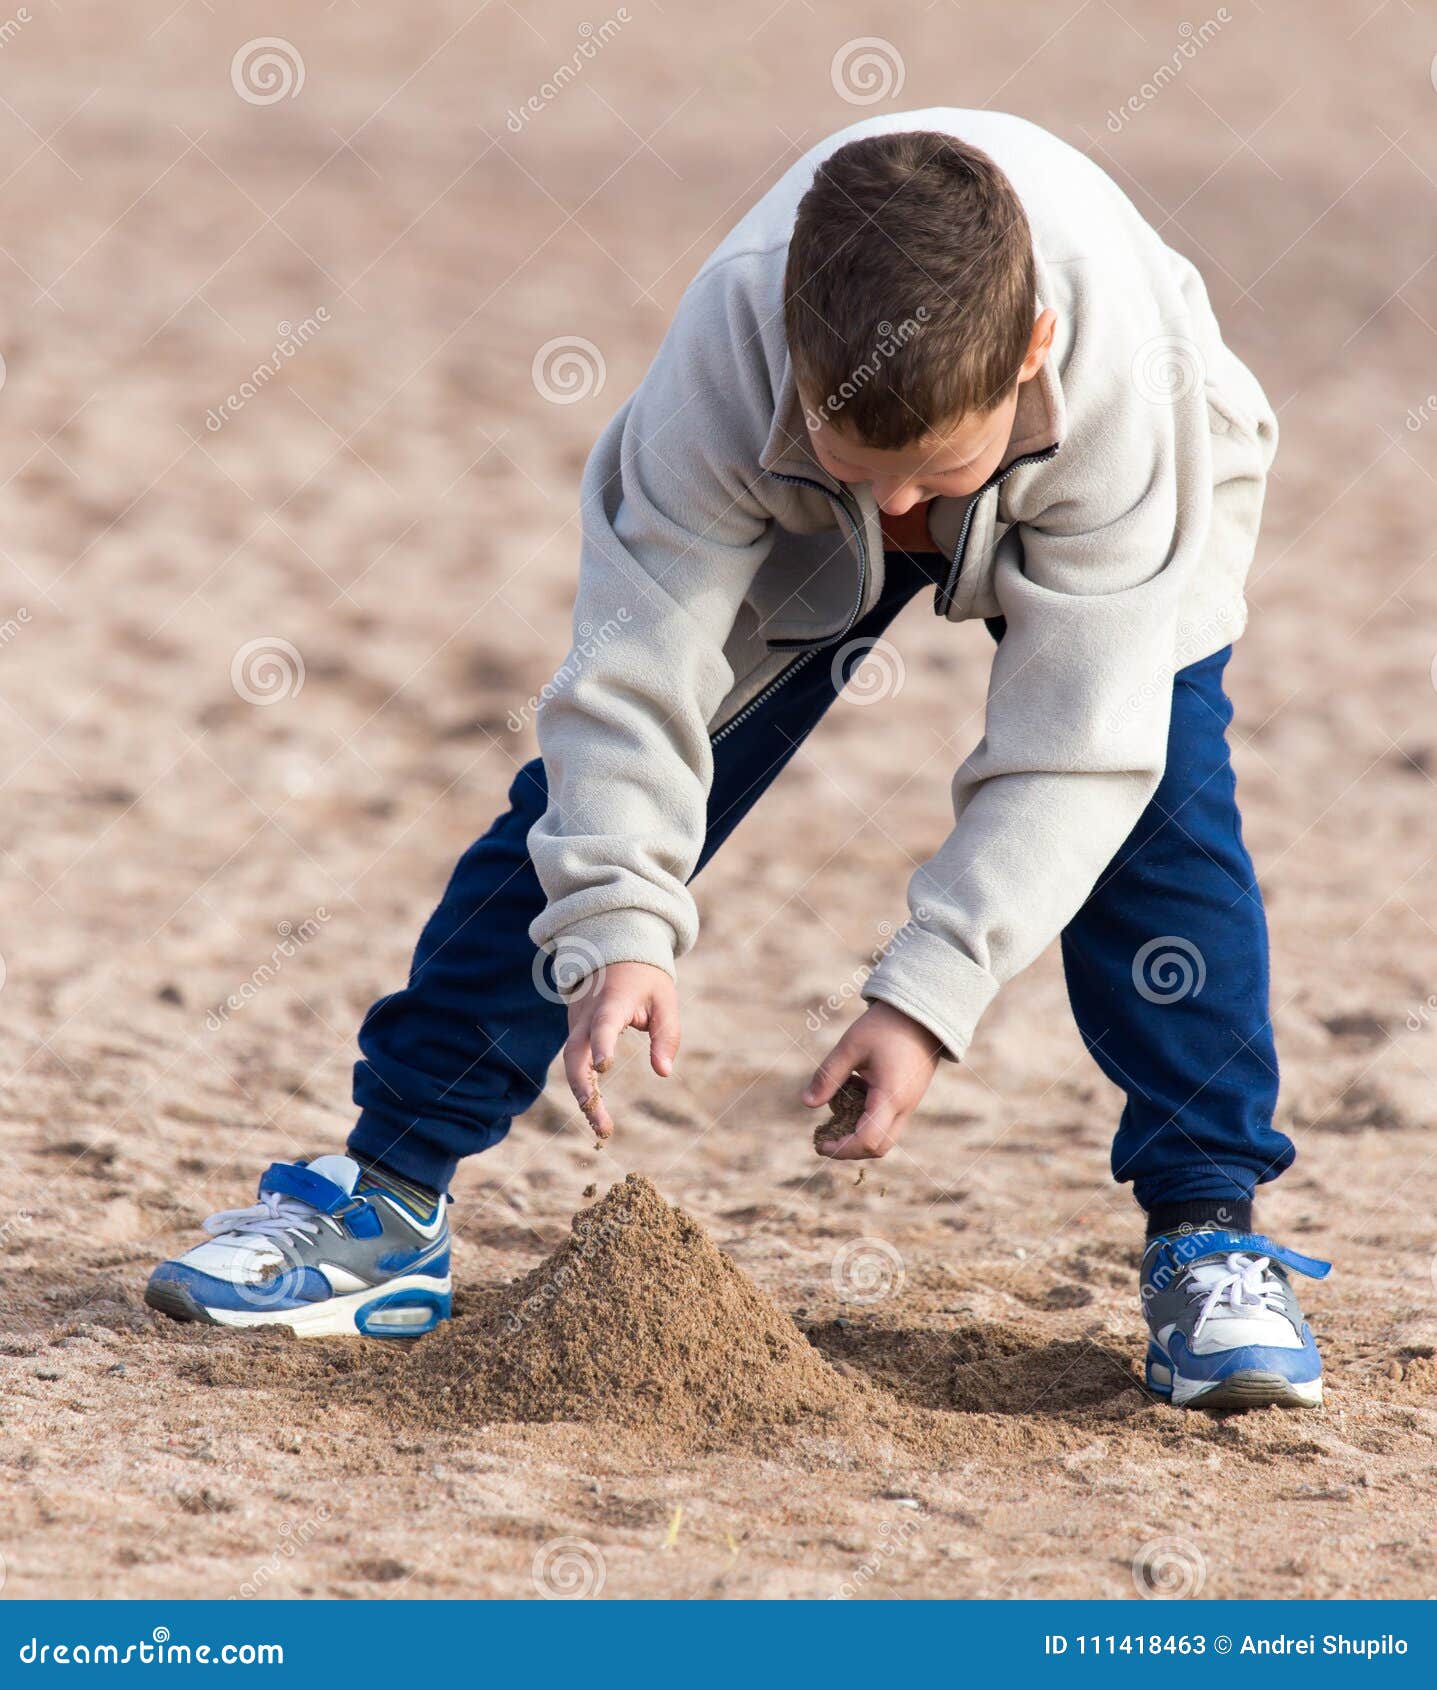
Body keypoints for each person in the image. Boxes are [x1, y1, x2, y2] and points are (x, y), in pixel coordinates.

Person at [147, 110, 1328, 1409]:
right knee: (579, 809)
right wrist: (620, 926)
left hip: (1125, 471)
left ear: (1031, 349)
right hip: (779, 488)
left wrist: (925, 996)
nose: (901, 523)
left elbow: (1075, 750)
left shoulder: (1117, 380)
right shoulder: (726, 363)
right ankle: (384, 1199)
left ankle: (1208, 1235)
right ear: (789, 351)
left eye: (930, 480)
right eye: (865, 473)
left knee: (1155, 800)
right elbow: (626, 690)